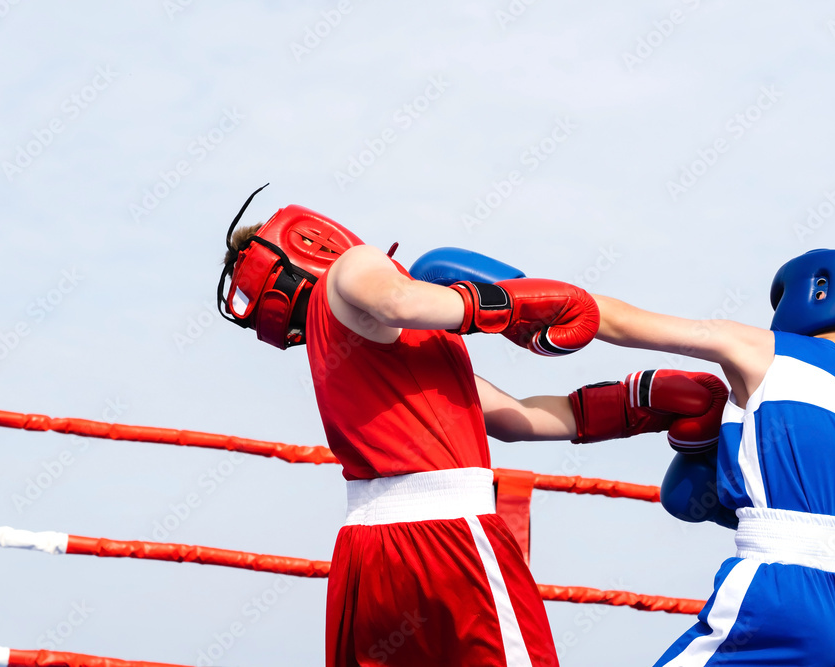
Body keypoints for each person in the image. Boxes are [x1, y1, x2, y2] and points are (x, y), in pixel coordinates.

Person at [216, 187, 727, 667]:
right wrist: (510, 306)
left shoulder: (372, 354)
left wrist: (634, 405)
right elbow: (401, 301)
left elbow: (516, 419)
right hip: (447, 536)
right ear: (311, 240)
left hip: (366, 557)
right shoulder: (353, 267)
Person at [588, 249, 835, 666]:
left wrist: (511, 298)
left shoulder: (767, 350)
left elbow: (620, 321)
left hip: (786, 588)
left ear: (822, 286)